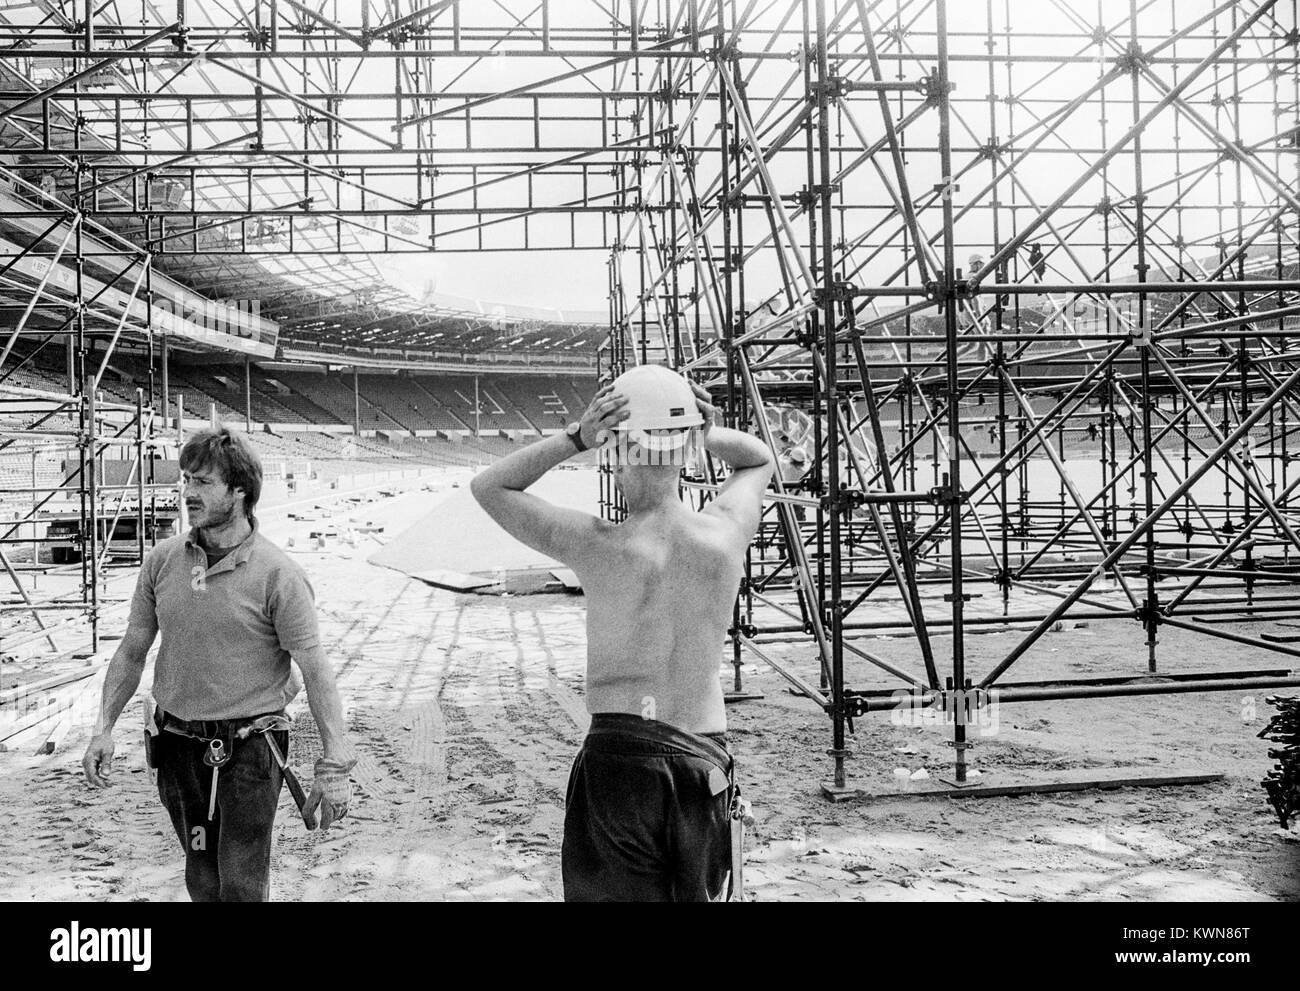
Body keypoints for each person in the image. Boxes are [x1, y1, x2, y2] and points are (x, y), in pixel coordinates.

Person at [471, 365, 774, 901]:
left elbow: (490, 486)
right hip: (701, 754)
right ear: (689, 456)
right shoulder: (726, 532)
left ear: (611, 455)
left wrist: (575, 437)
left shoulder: (595, 543)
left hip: (620, 761)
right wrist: (703, 434)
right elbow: (759, 458)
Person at [82, 425, 354, 902]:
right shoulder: (163, 561)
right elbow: (132, 648)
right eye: (186, 479)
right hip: (178, 750)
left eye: (202, 482)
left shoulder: (278, 575)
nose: (187, 492)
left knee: (242, 883)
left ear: (240, 490)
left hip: (249, 752)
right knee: (202, 876)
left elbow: (314, 669)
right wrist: (102, 727)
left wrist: (334, 765)